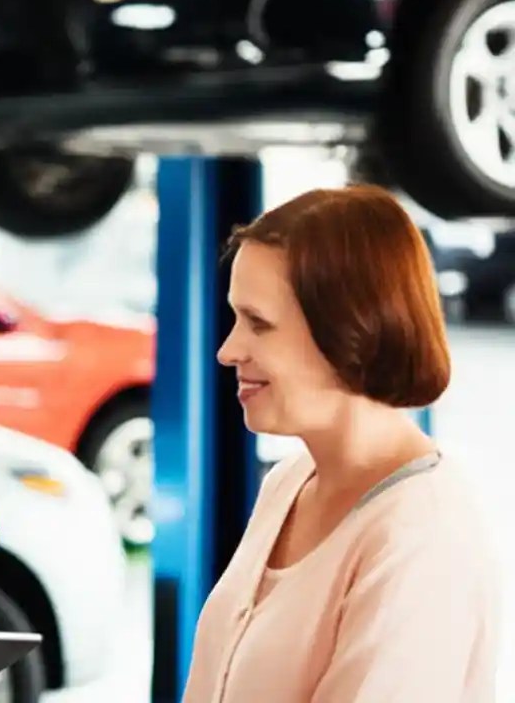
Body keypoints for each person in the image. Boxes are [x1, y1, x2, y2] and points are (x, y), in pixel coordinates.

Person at [182, 185, 502, 702]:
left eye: (258, 324)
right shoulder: (290, 482)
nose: (227, 350)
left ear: (352, 331)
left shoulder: (421, 533)